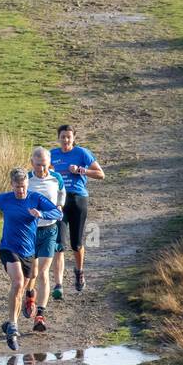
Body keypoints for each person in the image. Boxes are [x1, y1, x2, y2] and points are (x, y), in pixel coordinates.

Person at [0, 168, 63, 351]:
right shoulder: (5, 199)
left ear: (27, 185)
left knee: (24, 288)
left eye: (23, 187)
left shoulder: (35, 198)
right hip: (8, 248)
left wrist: (42, 215)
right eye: (17, 187)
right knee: (17, 283)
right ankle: (13, 328)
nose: (21, 191)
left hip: (29, 252)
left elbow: (58, 214)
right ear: (12, 185)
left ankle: (10, 323)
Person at [49, 124, 105, 294]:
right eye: (63, 136)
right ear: (58, 138)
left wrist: (81, 170)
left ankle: (79, 272)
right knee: (59, 244)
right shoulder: (52, 154)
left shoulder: (82, 153)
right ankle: (58, 285)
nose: (65, 140)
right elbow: (42, 172)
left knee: (76, 243)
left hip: (78, 199)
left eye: (69, 137)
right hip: (59, 200)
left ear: (73, 138)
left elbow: (100, 174)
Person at [25, 147, 66, 332]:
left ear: (49, 163)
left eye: (44, 165)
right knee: (31, 273)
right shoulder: (26, 179)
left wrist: (59, 205)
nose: (41, 169)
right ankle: (29, 296)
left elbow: (62, 192)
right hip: (30, 231)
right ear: (31, 162)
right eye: (37, 165)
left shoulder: (55, 178)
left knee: (43, 272)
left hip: (50, 229)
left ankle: (40, 315)